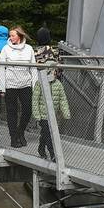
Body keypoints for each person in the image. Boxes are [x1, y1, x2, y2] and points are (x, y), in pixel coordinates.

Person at [32, 27, 69, 161]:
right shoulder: (55, 51)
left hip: (40, 86)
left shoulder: (35, 52)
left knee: (46, 125)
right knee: (48, 125)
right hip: (53, 86)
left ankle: (42, 148)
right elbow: (60, 68)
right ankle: (53, 153)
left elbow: (34, 69)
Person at [0, 27, 37, 148]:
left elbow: (33, 68)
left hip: (26, 85)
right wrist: (2, 88)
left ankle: (20, 132)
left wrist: (35, 86)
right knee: (12, 112)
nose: (11, 37)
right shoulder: (6, 49)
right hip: (10, 85)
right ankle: (13, 138)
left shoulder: (29, 49)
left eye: (13, 35)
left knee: (28, 109)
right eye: (10, 35)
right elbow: (0, 68)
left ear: (20, 36)